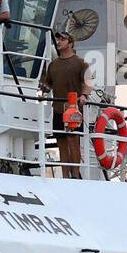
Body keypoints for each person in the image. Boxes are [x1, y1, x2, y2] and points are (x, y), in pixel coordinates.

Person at [40, 30, 92, 180]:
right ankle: (65, 176)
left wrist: (84, 95)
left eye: (63, 39)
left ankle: (75, 176)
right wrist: (44, 89)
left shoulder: (80, 63)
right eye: (58, 39)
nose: (59, 42)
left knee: (73, 141)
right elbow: (49, 83)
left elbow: (88, 82)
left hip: (74, 109)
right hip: (58, 109)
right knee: (61, 141)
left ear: (70, 43)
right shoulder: (53, 65)